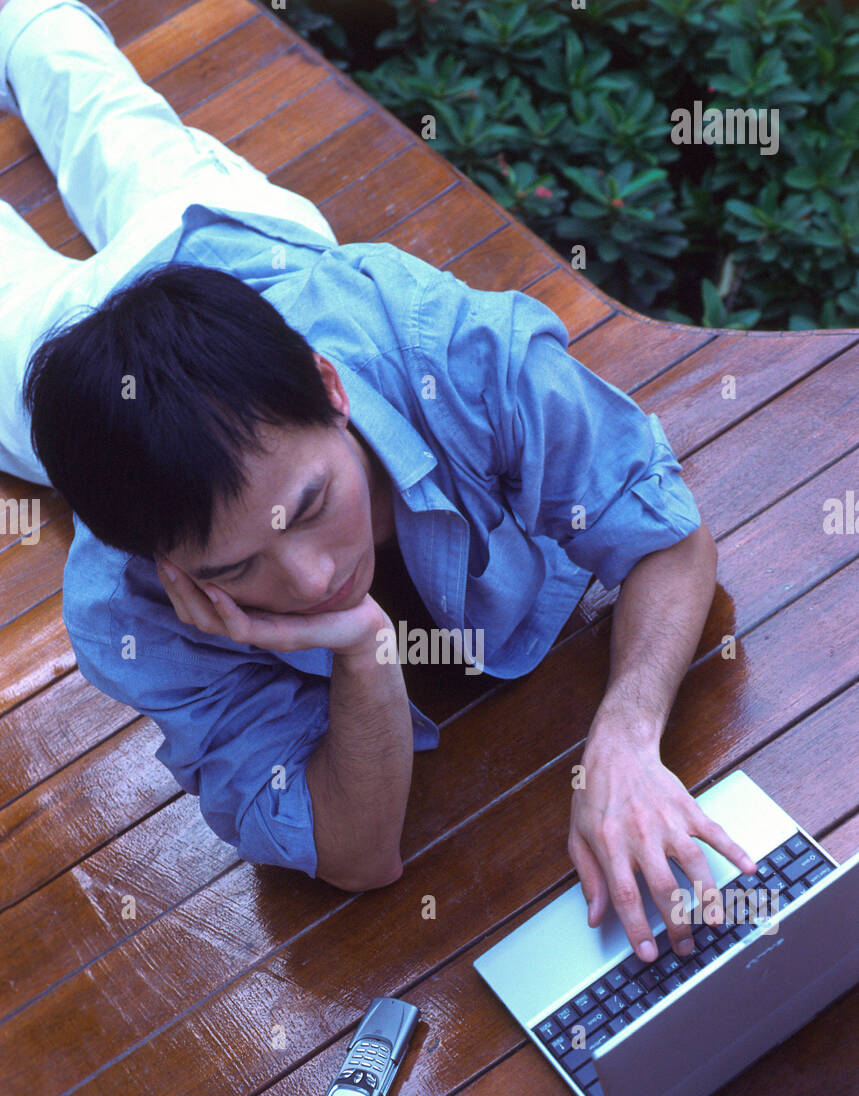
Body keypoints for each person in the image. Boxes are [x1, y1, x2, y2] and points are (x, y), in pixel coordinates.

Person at [0, 0, 756, 962]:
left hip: (232, 239)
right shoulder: (122, 601)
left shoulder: (442, 343)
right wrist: (363, 649)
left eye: (309, 505)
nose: (312, 579)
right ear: (158, 559)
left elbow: (667, 531)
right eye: (239, 567)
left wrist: (626, 735)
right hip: (65, 364)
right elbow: (357, 856)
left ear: (329, 386)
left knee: (100, 109)